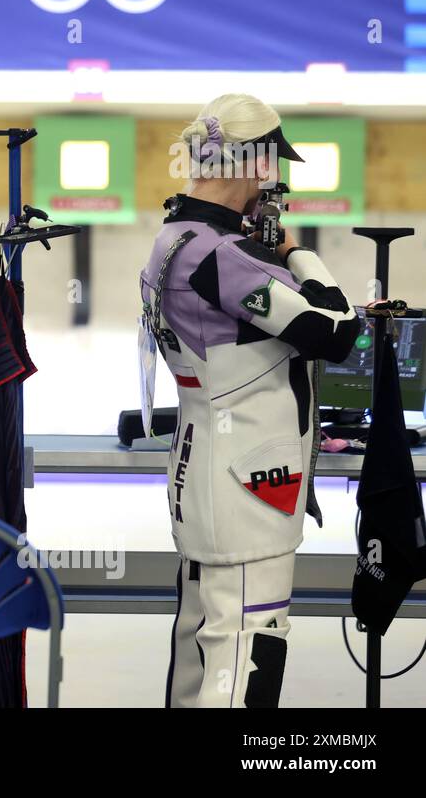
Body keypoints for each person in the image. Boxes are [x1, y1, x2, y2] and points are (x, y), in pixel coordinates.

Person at [141, 93, 358, 708]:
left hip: (207, 466)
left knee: (201, 649)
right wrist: (295, 252)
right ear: (252, 162)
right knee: (246, 651)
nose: (275, 178)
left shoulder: (174, 237)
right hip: (251, 481)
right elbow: (337, 332)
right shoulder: (224, 256)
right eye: (271, 163)